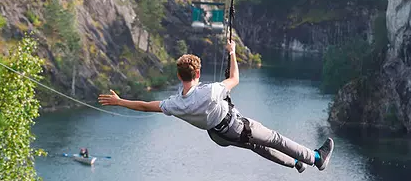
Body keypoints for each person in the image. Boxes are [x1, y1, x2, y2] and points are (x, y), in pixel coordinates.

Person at [98, 40, 334, 173]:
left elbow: (146, 106)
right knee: (275, 139)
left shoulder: (176, 103)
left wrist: (120, 102)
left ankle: (295, 163)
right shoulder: (209, 91)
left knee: (258, 148)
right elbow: (235, 79)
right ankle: (316, 158)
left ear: (179, 77)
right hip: (237, 127)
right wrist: (232, 53)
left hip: (219, 137)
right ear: (197, 72)